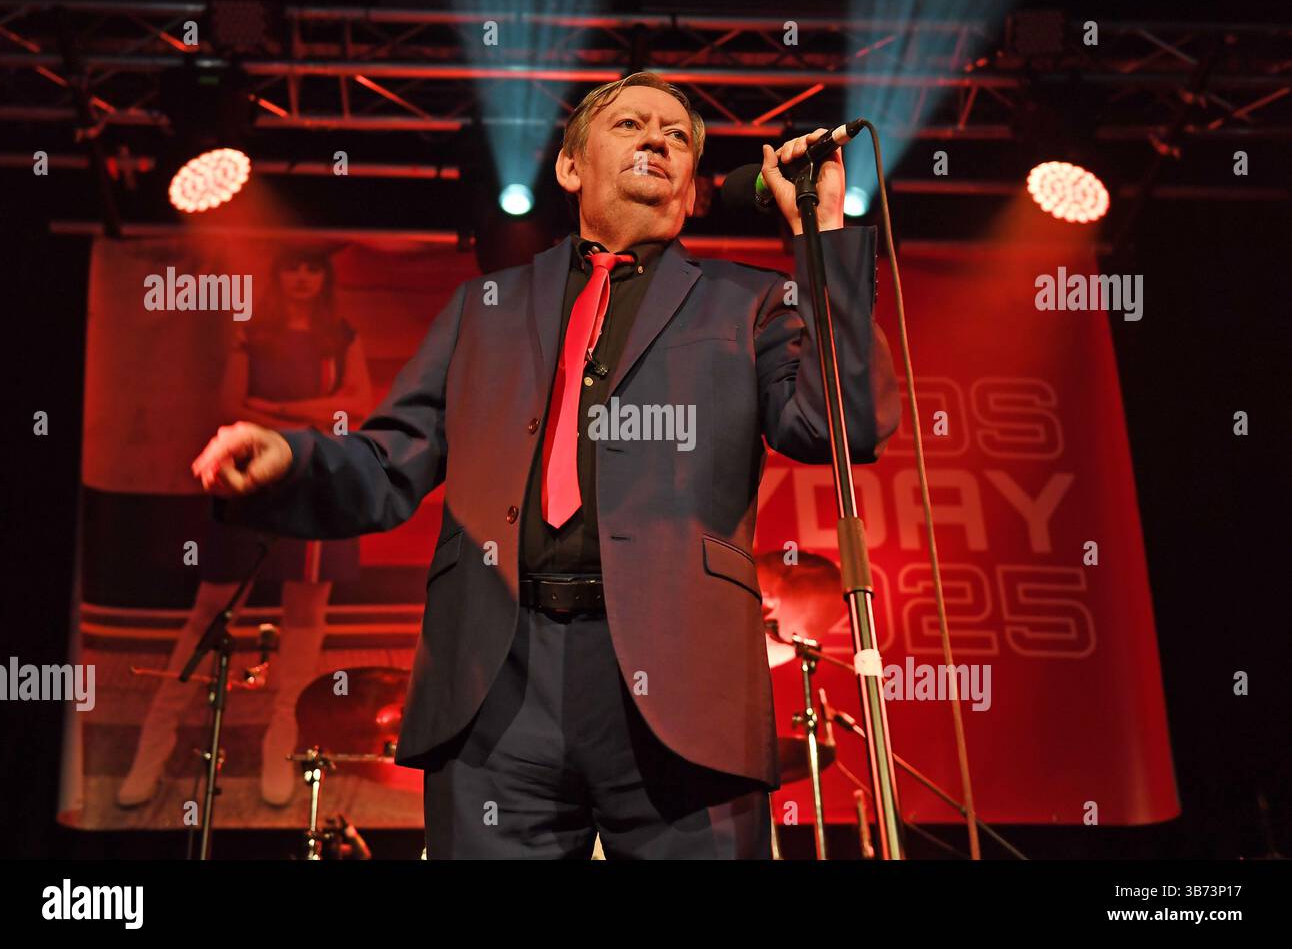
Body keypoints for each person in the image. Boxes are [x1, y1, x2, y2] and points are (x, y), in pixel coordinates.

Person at [192, 71, 900, 857]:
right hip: (497, 678)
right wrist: (288, 458)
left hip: (684, 683)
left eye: (676, 135)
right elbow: (391, 464)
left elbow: (843, 426)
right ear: (570, 168)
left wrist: (824, 236)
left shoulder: (748, 302)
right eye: (630, 124)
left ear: (696, 184)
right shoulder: (483, 310)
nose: (656, 139)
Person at [118, 247, 374, 808]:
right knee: (210, 612)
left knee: (307, 616)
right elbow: (231, 405)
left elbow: (357, 403)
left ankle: (279, 748)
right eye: (293, 265)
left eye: (311, 267)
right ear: (278, 274)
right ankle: (152, 750)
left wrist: (279, 416)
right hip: (248, 481)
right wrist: (304, 417)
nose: (302, 274)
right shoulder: (250, 334)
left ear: (323, 278)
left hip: (316, 479)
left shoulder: (343, 334)